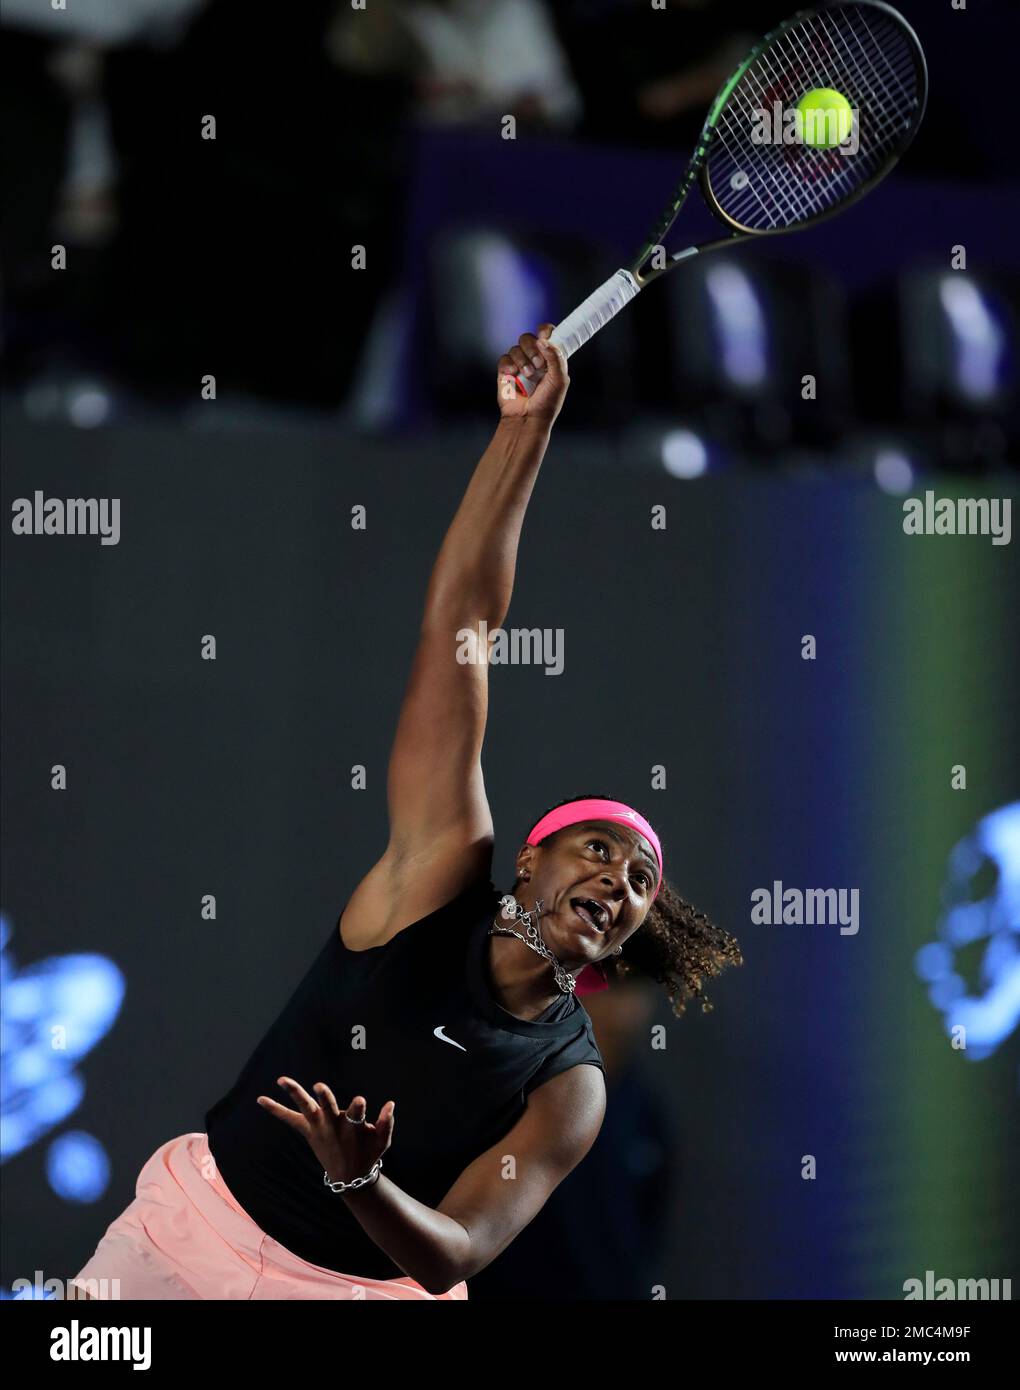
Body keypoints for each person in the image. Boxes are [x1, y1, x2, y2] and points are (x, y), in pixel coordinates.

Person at [69, 326, 741, 1301]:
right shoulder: (434, 871)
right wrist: (527, 428)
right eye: (600, 850)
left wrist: (359, 1179)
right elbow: (464, 624)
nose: (618, 881)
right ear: (531, 858)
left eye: (640, 882)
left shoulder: (570, 1085)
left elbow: (454, 1252)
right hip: (191, 1229)